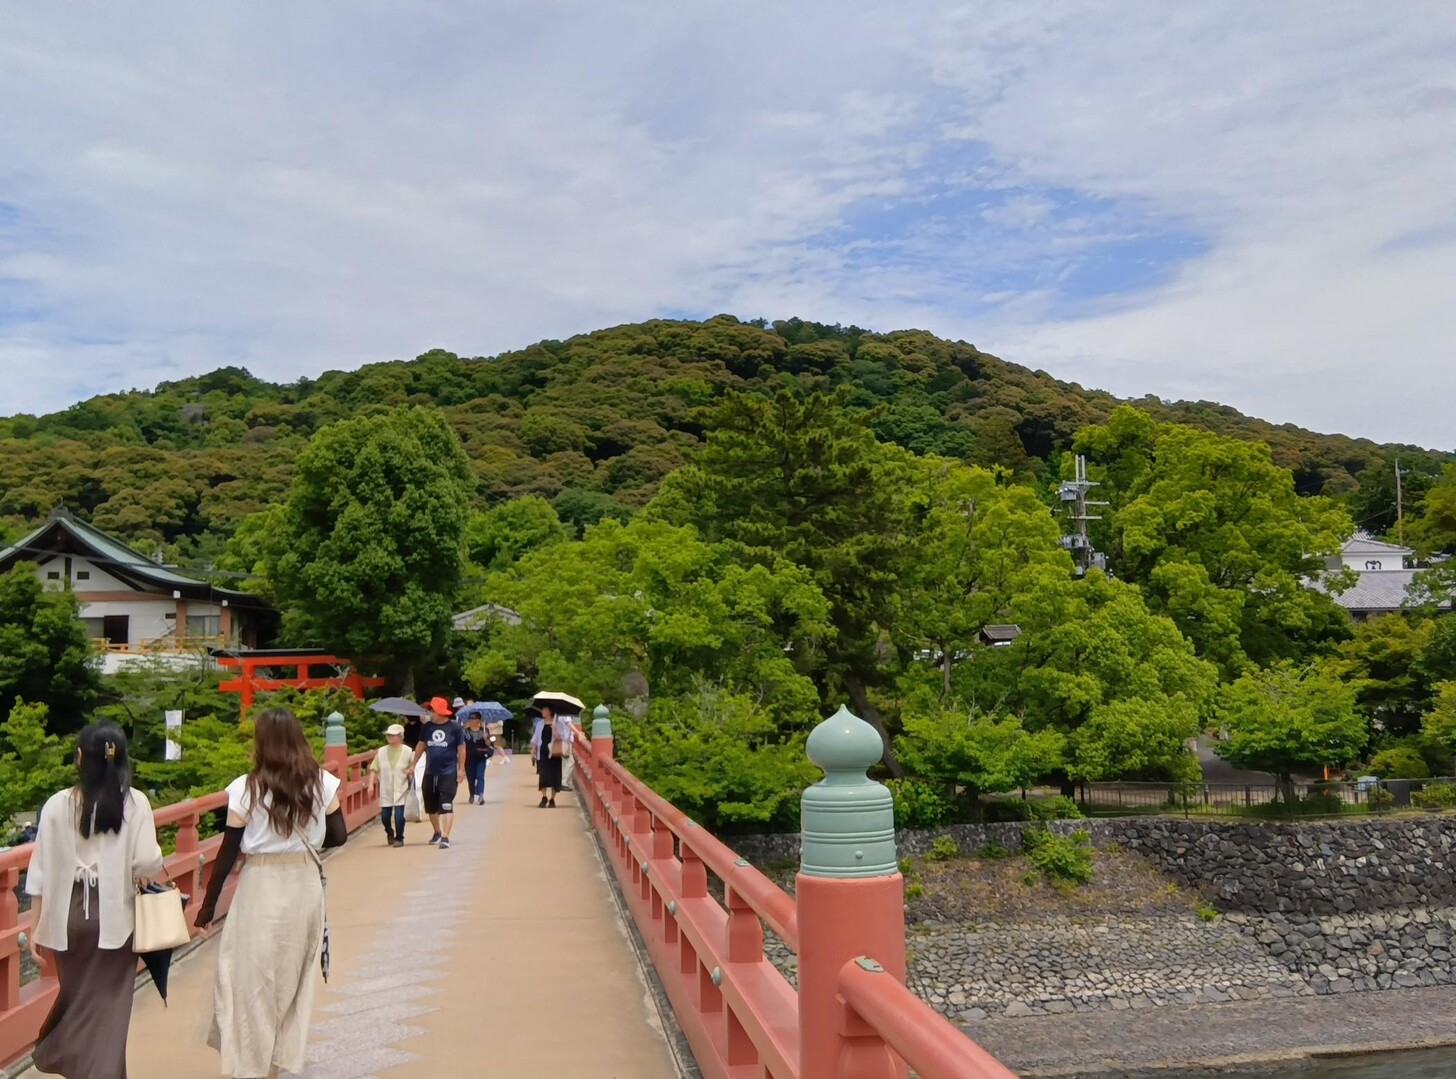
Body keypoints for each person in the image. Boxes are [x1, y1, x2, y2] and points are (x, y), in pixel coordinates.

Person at [195, 708, 346, 1079]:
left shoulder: (246, 788)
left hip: (260, 885)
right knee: (292, 983)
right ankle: (274, 1067)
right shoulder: (322, 783)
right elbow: (339, 835)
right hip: (304, 886)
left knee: (250, 979)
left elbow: (228, 853)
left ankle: (252, 1066)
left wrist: (207, 910)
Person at [25, 723, 165, 1079]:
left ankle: (76, 1063)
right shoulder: (134, 803)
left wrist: (36, 926)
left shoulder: (57, 805)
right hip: (115, 916)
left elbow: (39, 871)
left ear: (79, 757)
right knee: (108, 1014)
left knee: (79, 1004)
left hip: (68, 917)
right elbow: (148, 861)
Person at [410, 696, 465, 848]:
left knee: (446, 804)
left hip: (448, 771)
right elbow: (421, 746)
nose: (429, 713)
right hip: (430, 771)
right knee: (431, 805)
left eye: (431, 710)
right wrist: (413, 764)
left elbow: (461, 749)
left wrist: (461, 769)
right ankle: (437, 832)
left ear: (440, 712)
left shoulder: (454, 727)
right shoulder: (427, 727)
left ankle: (446, 837)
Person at [369, 723, 414, 845]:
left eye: (392, 735)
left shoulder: (408, 751)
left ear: (400, 736)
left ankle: (400, 838)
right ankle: (389, 832)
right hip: (386, 788)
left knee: (399, 816)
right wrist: (370, 784)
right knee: (385, 816)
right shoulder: (382, 751)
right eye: (388, 735)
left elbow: (413, 765)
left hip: (401, 787)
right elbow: (374, 768)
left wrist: (410, 770)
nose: (389, 737)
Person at [530, 704, 566, 808]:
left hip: (554, 753)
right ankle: (544, 796)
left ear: (550, 711)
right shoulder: (540, 724)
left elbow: (562, 738)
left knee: (554, 776)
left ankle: (552, 799)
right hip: (543, 752)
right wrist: (533, 752)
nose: (542, 711)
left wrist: (555, 731)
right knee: (543, 776)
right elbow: (535, 738)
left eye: (544, 709)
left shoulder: (558, 724)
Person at [461, 713, 492, 805]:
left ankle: (481, 795)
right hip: (469, 758)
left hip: (481, 757)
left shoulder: (485, 731)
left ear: (478, 720)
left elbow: (489, 744)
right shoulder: (464, 731)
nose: (471, 720)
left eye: (473, 718)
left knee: (480, 776)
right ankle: (471, 794)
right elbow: (462, 744)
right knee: (471, 778)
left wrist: (486, 739)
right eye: (470, 718)